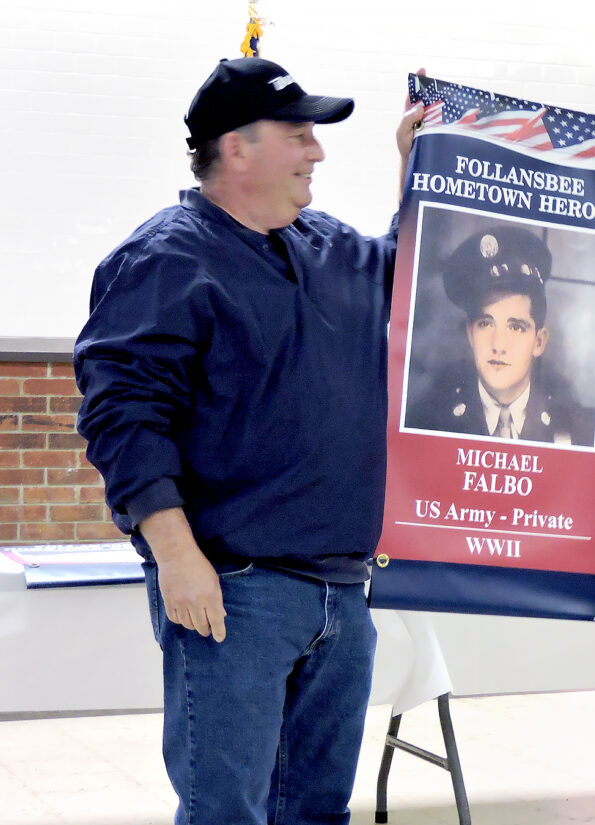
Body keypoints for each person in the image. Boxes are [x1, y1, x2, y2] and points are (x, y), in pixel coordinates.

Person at [73, 57, 424, 825]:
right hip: (236, 590)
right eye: (300, 135)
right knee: (227, 810)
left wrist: (418, 164)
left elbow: (416, 275)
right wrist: (176, 557)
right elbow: (122, 420)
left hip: (341, 589)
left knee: (316, 809)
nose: (318, 152)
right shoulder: (164, 260)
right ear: (236, 148)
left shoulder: (328, 247)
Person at [406, 224, 595, 446]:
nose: (498, 345)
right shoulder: (427, 421)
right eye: (486, 324)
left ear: (539, 341)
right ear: (470, 333)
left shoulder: (578, 430)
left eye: (516, 327)